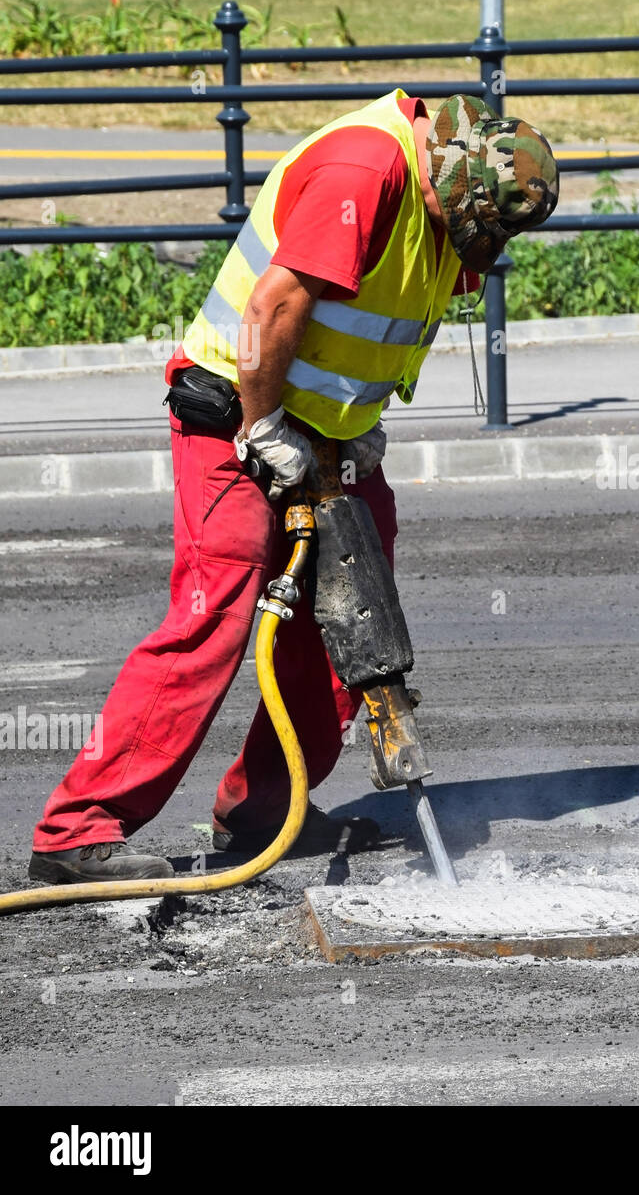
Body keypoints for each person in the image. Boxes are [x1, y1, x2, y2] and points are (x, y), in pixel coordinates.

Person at [28, 91, 558, 883]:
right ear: (450, 184)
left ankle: (262, 811)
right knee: (217, 612)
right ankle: (77, 833)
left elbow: (394, 306)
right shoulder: (364, 169)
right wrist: (264, 425)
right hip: (233, 406)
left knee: (352, 611)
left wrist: (357, 422)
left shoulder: (456, 174)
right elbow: (271, 305)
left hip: (327, 431)